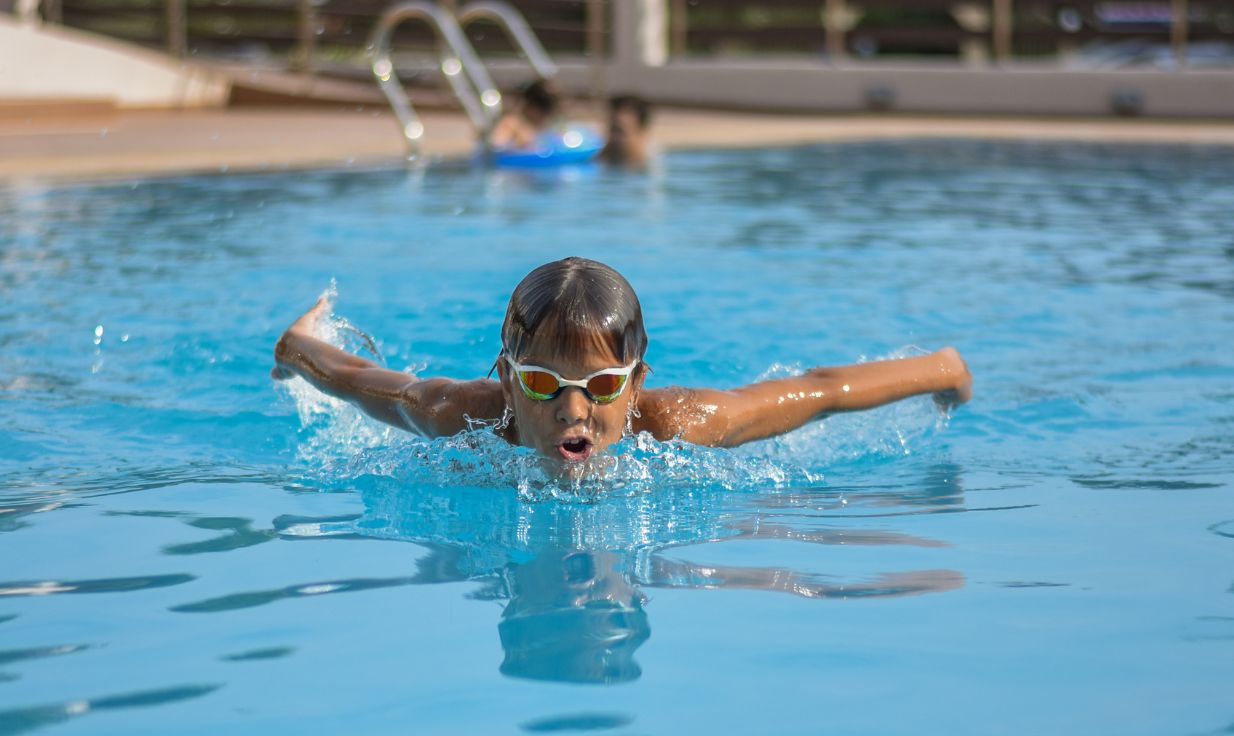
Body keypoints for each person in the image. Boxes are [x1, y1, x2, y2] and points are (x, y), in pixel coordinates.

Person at [272, 257, 972, 467]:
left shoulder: (672, 424)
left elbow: (817, 392)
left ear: (634, 383)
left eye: (600, 386)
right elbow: (360, 381)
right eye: (544, 384)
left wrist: (944, 368)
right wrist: (299, 347)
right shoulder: (459, 414)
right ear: (508, 380)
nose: (573, 410)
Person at [488, 78, 560, 151]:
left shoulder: (546, 126)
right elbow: (496, 147)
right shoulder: (511, 124)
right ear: (531, 107)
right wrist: (519, 143)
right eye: (545, 112)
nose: (545, 117)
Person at [599, 95, 652, 167]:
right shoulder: (598, 160)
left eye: (620, 133)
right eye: (613, 131)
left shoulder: (651, 168)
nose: (615, 140)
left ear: (642, 131)